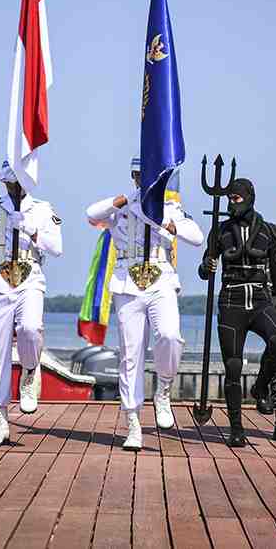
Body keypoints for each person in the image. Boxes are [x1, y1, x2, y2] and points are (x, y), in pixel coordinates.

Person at [85, 158, 204, 451]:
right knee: (131, 354)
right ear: (134, 176)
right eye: (139, 175)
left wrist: (162, 218)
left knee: (170, 336)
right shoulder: (121, 207)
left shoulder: (171, 207)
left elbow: (197, 238)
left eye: (148, 174)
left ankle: (163, 388)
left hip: (161, 278)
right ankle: (133, 423)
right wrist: (124, 199)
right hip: (127, 282)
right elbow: (91, 215)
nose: (144, 179)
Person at [0, 161, 62, 446]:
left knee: (30, 329)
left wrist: (30, 229)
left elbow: (57, 248)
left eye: (17, 179)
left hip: (29, 277)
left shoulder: (41, 209)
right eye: (9, 179)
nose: (13, 185)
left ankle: (30, 370)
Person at [198, 178, 276, 446]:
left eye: (236, 199)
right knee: (233, 365)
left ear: (249, 198)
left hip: (259, 298)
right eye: (229, 199)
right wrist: (207, 267)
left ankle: (260, 386)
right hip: (231, 300)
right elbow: (204, 268)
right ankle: (236, 428)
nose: (232, 204)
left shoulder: (268, 232)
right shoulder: (220, 231)